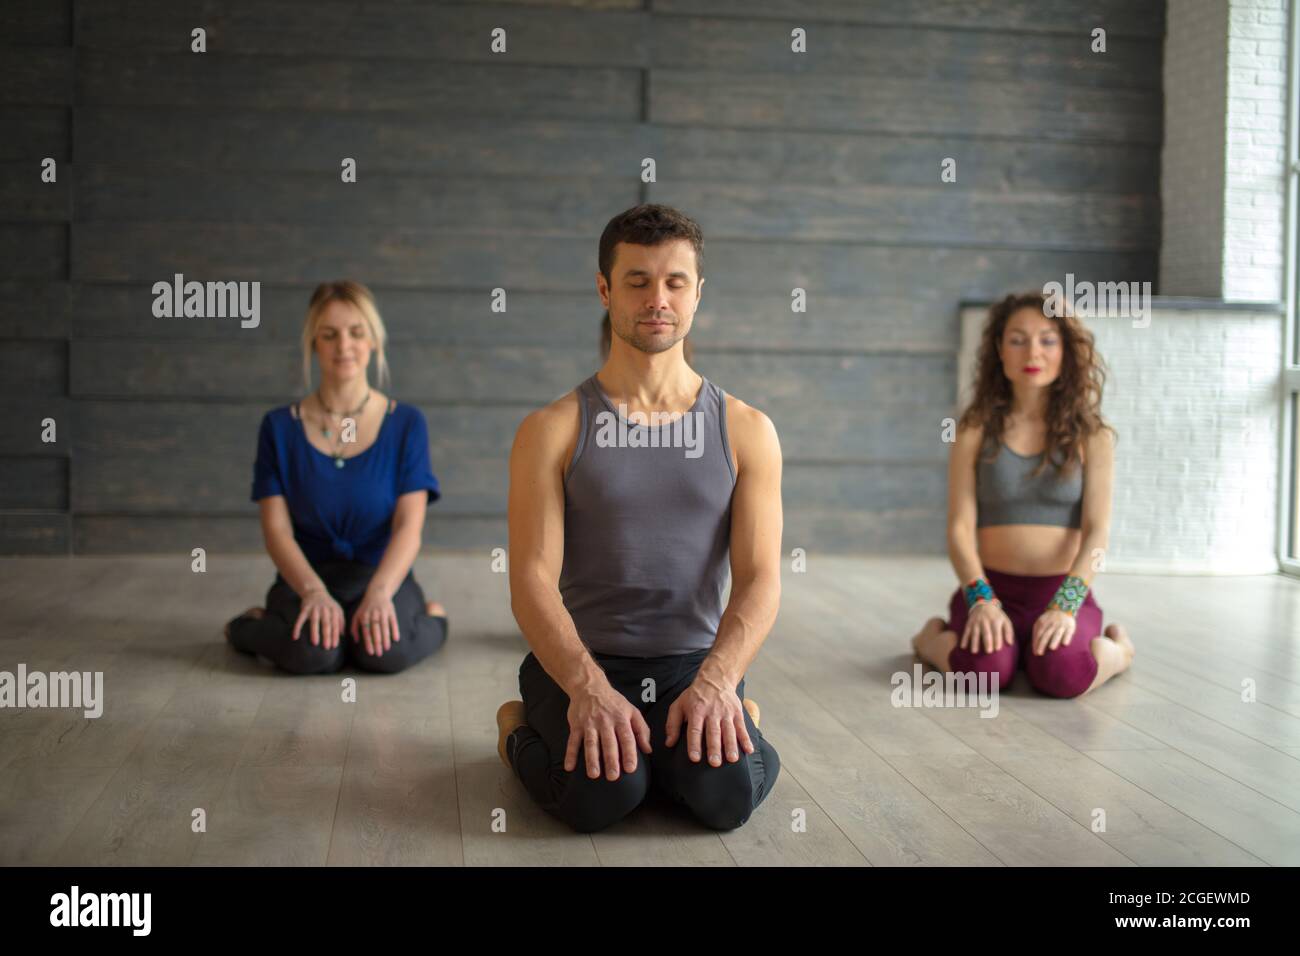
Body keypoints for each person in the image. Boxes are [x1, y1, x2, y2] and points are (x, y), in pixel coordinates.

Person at [496, 203, 782, 832]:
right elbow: (531, 581)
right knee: (600, 799)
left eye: (675, 281)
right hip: (585, 657)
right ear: (604, 288)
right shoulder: (552, 429)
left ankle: (739, 715)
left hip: (693, 663)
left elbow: (761, 577)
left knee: (726, 798)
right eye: (637, 280)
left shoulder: (746, 430)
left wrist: (720, 680)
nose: (658, 297)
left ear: (698, 293)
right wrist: (586, 688)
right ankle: (514, 725)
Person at [910, 291, 1134, 698]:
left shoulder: (1093, 435)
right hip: (989, 588)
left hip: (1062, 588)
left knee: (1063, 676)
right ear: (999, 349)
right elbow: (960, 526)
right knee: (984, 676)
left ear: (1066, 349)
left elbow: (1098, 531)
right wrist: (980, 598)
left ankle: (1119, 649)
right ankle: (930, 639)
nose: (1033, 351)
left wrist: (1066, 603)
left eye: (1048, 339)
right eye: (1018, 339)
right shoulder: (974, 428)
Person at [224, 280, 448, 674]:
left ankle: (435, 617)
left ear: (374, 341)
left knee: (384, 653)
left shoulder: (407, 423)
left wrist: (379, 593)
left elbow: (408, 527)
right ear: (313, 343)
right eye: (329, 335)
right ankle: (248, 625)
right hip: (307, 576)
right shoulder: (278, 427)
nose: (344, 346)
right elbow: (276, 531)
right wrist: (312, 592)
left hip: (381, 574)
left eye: (356, 333)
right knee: (313, 655)